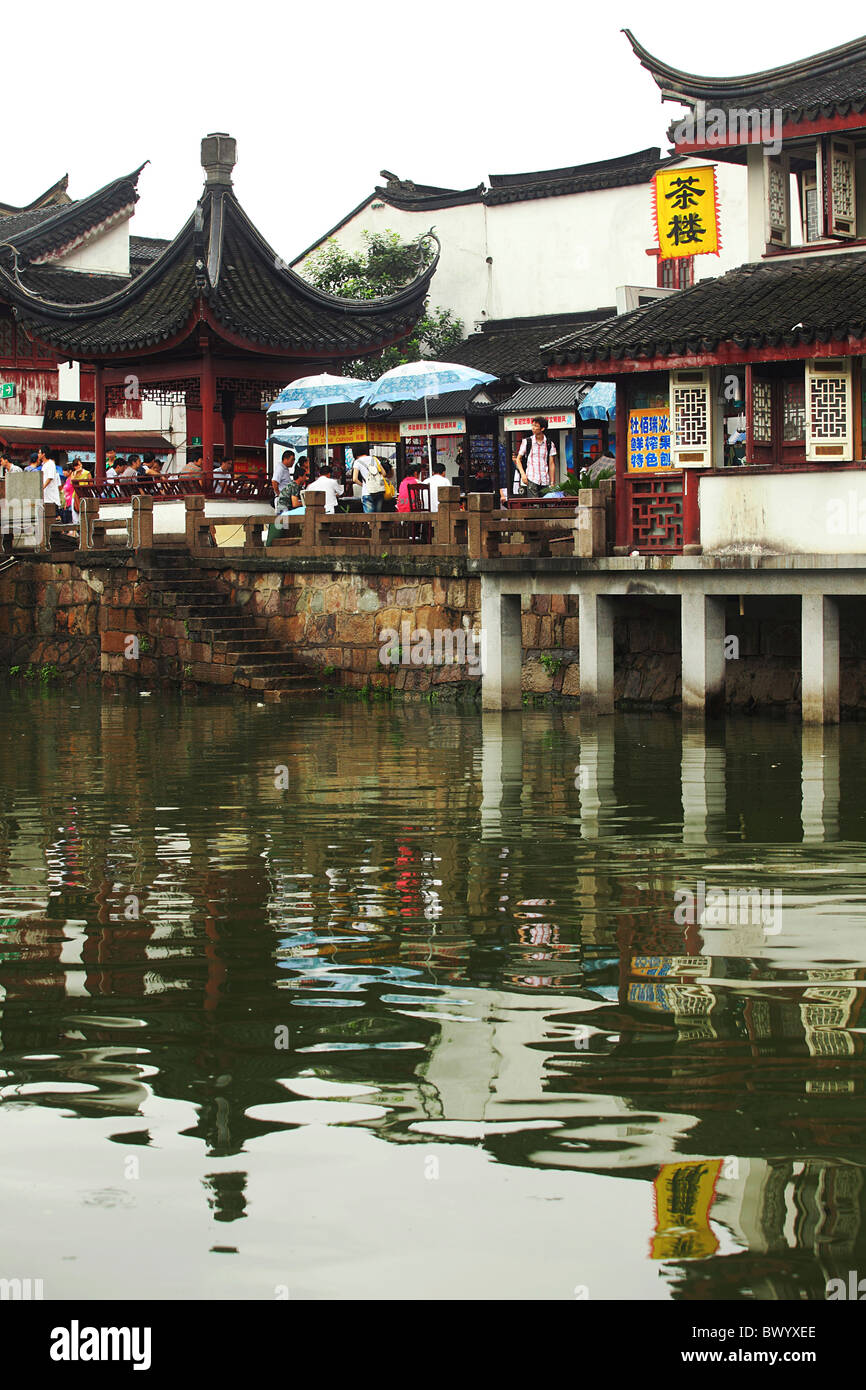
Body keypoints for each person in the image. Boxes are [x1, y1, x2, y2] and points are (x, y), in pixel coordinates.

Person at [514, 416, 557, 497]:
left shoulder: (549, 443)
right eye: (532, 425)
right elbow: (518, 459)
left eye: (536, 426)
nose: (533, 428)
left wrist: (552, 482)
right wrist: (523, 475)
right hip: (531, 479)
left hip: (545, 480)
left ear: (542, 429)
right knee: (534, 506)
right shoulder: (527, 441)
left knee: (546, 506)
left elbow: (551, 464)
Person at [351, 441, 386, 513]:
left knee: (369, 518)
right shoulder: (374, 459)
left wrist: (363, 484)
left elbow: (354, 479)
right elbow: (384, 473)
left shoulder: (357, 462)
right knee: (378, 516)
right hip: (378, 491)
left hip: (367, 492)